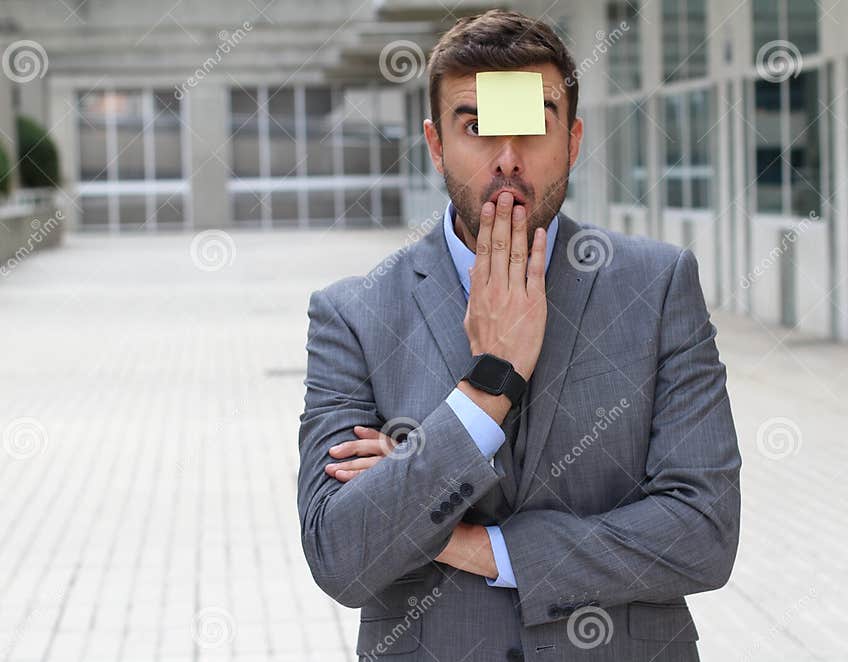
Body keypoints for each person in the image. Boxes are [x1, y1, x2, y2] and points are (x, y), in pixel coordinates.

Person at [297, 9, 741, 661]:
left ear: (574, 138)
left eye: (533, 124)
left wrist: (458, 538)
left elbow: (703, 534)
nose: (507, 159)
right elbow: (341, 557)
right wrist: (488, 387)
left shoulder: (656, 285)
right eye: (478, 126)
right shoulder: (354, 315)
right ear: (436, 143)